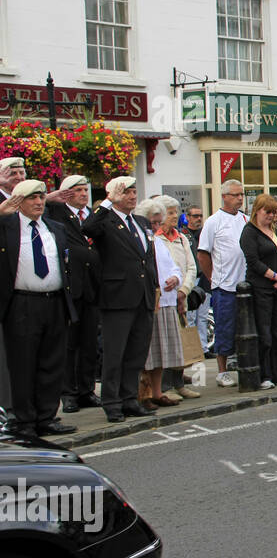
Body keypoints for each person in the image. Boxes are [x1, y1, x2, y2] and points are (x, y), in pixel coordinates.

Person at [82, 176, 165, 423]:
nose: (131, 195)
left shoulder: (140, 221)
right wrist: (108, 202)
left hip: (143, 296)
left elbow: (147, 257)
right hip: (117, 297)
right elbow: (87, 228)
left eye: (132, 191)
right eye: (125, 192)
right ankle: (112, 402)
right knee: (115, 354)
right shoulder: (105, 220)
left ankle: (130, 398)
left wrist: (155, 288)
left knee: (136, 352)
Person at [0, 180, 77, 438]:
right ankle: (24, 421)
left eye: (42, 198)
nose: (38, 203)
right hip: (22, 303)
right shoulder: (7, 227)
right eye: (32, 198)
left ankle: (47, 416)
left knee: (52, 363)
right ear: (18, 202)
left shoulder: (54, 228)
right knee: (22, 365)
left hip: (54, 302)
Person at [42, 174, 101, 413]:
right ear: (65, 194)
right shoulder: (57, 213)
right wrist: (50, 199)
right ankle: (68, 393)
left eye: (85, 190)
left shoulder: (93, 216)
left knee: (89, 343)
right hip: (71, 286)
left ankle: (86, 390)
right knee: (70, 344)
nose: (83, 194)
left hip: (92, 287)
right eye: (76, 190)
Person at [240, 194, 277, 389]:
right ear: (257, 210)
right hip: (262, 288)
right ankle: (265, 374)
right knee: (264, 333)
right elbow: (254, 262)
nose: (271, 216)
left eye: (274, 212)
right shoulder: (249, 232)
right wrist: (276, 277)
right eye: (267, 212)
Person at [198, 180, 249, 387]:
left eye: (242, 195)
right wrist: (212, 278)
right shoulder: (213, 221)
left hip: (244, 283)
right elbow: (203, 254)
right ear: (225, 196)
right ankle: (222, 370)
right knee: (225, 327)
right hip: (224, 285)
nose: (239, 199)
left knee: (245, 328)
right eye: (236, 195)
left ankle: (245, 364)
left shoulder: (246, 219)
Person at [151, 196, 201, 402]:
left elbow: (191, 266)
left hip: (180, 296)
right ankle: (164, 385)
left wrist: (184, 290)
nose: (174, 216)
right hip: (163, 298)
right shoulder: (155, 238)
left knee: (181, 341)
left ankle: (179, 383)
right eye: (169, 212)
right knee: (164, 342)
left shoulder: (181, 237)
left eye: (175, 212)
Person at [138, 199, 184, 410]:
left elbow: (173, 266)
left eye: (158, 222)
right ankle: (143, 393)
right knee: (147, 353)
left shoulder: (157, 241)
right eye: (152, 223)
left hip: (166, 300)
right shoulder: (141, 240)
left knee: (161, 352)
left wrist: (176, 279)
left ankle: (157, 391)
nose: (156, 227)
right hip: (149, 301)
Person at [184, 205, 212, 356]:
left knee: (202, 315)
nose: (198, 219)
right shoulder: (183, 234)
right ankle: (191, 349)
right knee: (190, 317)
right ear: (187, 217)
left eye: (200, 216)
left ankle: (203, 347)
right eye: (195, 216)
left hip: (204, 278)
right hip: (190, 278)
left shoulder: (204, 233)